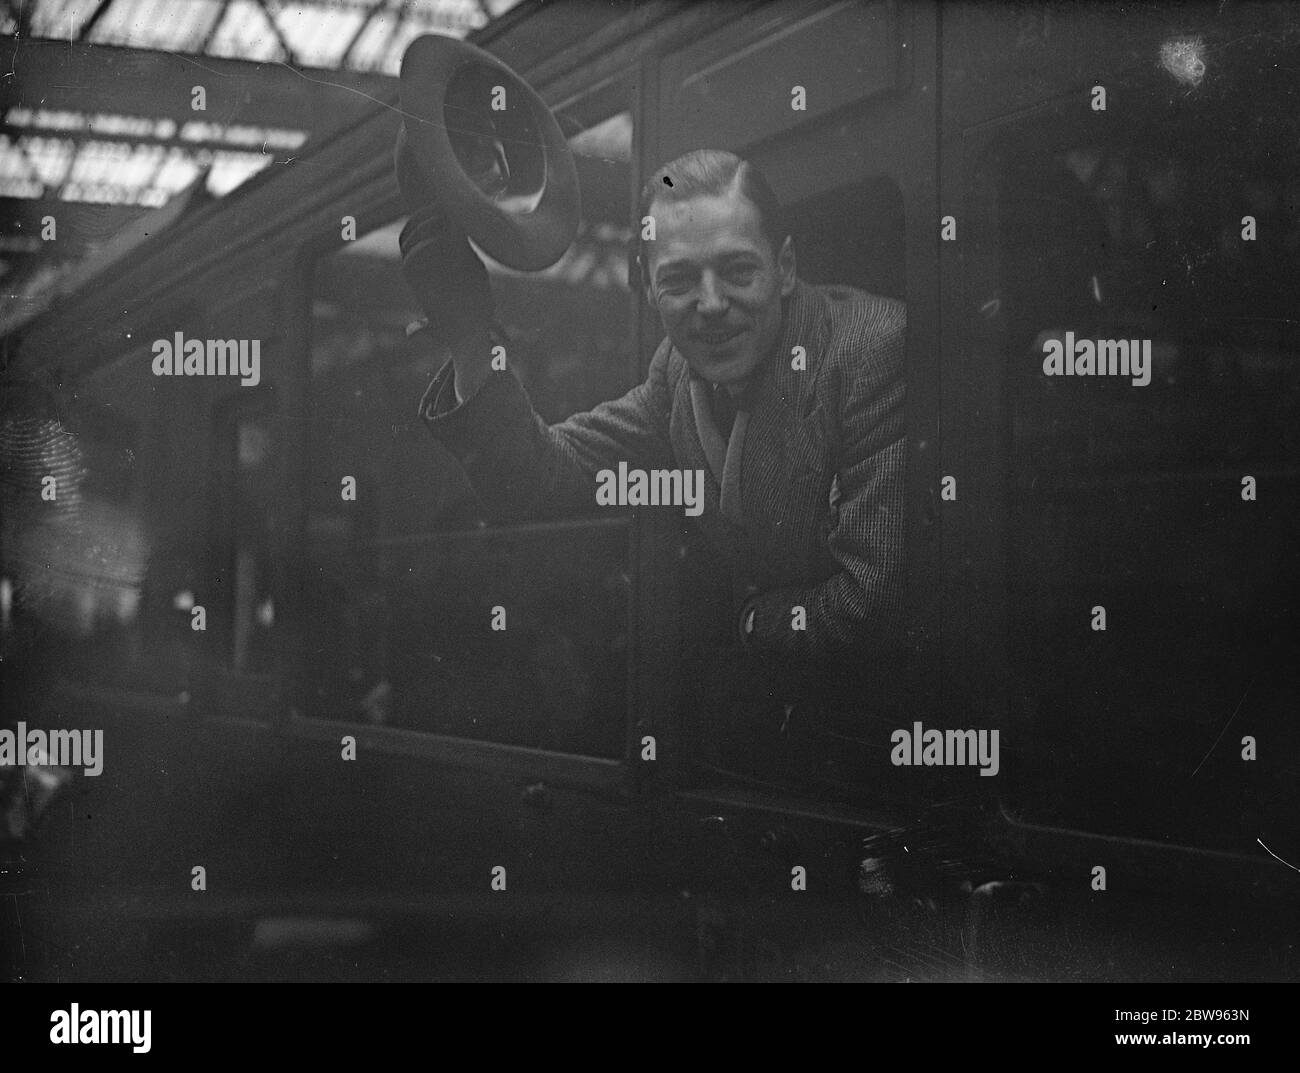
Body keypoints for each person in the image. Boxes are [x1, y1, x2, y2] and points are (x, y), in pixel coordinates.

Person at [399, 148, 906, 671]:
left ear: (785, 268)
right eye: (679, 281)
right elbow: (537, 478)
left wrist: (751, 624)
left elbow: (875, 605)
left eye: (737, 270)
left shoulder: (869, 351)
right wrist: (467, 337)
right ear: (647, 289)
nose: (710, 304)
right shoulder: (676, 374)